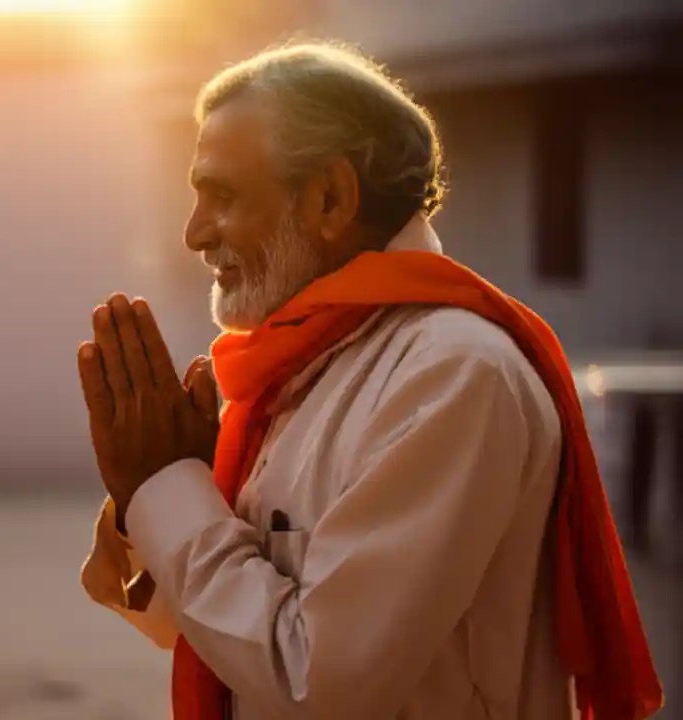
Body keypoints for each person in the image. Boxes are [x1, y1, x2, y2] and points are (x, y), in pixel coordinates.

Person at [77, 42, 661, 719]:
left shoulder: (452, 374)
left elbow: (318, 680)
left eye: (223, 196)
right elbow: (208, 635)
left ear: (330, 197)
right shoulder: (306, 371)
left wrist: (169, 490)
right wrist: (151, 493)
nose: (194, 233)